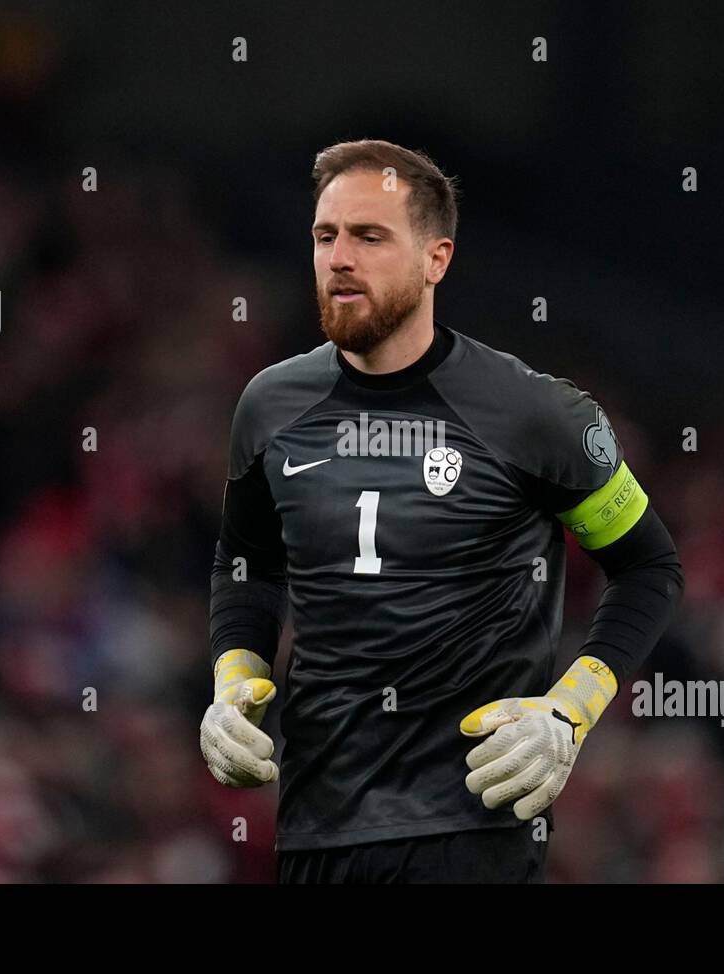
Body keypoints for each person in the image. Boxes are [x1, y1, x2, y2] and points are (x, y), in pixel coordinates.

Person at [201, 139, 684, 883]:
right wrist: (234, 680)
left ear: (437, 259)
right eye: (325, 236)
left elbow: (648, 565)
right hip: (314, 831)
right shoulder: (269, 406)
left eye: (369, 236)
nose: (338, 259)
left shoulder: (532, 413)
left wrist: (571, 708)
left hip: (470, 830)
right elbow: (248, 563)